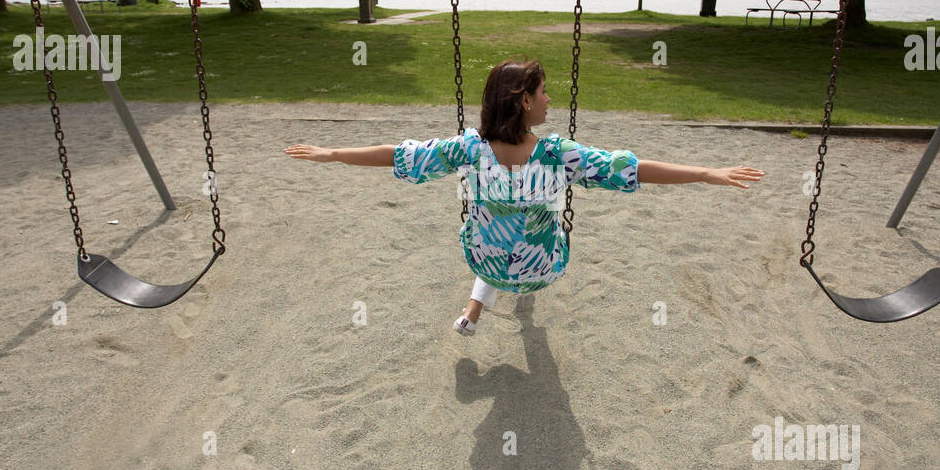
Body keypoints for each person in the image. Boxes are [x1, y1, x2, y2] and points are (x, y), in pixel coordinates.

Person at [283, 59, 763, 335]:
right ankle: (476, 307)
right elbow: (630, 169)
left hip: (483, 257)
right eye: (544, 92)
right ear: (525, 101)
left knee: (491, 226)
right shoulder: (558, 155)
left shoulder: (468, 148)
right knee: (527, 228)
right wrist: (704, 172)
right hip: (541, 268)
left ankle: (474, 308)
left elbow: (399, 154)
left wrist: (333, 153)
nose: (551, 100)